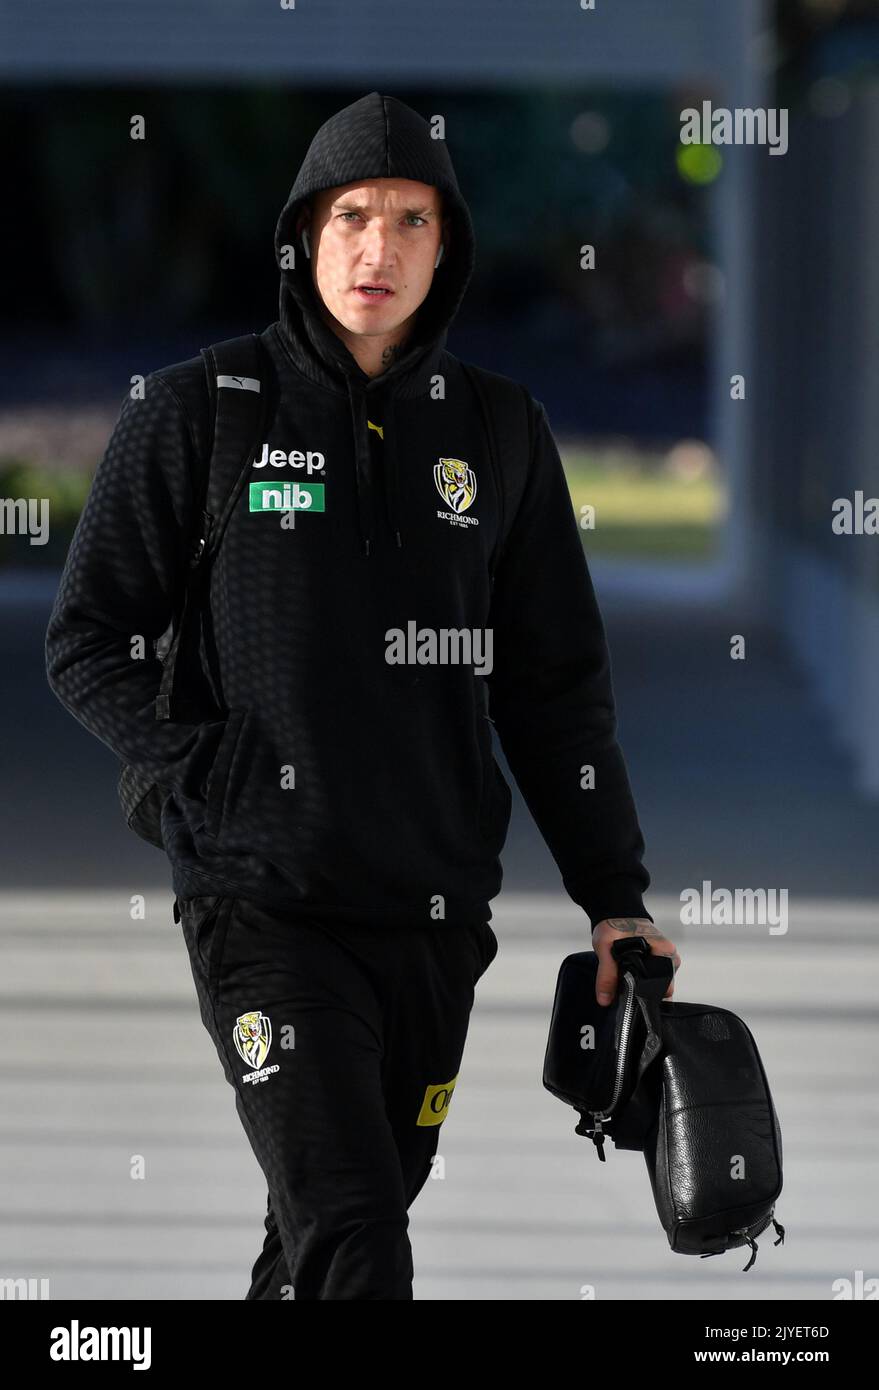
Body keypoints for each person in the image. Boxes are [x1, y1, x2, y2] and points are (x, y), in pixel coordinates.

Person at [44, 91, 680, 1300]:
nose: (377, 247)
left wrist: (615, 898)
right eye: (350, 217)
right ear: (303, 234)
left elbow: (554, 690)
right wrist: (209, 771)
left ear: (446, 250)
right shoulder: (202, 411)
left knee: (319, 1243)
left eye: (409, 220)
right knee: (355, 1233)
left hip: (434, 915)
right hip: (263, 905)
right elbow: (87, 638)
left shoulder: (501, 431)